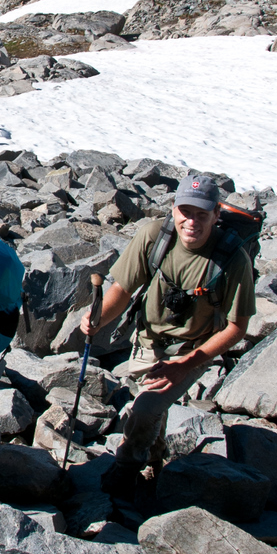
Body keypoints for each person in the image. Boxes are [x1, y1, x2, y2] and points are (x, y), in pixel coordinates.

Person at [81, 173, 256, 499]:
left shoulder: (233, 259)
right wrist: (98, 318)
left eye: (202, 214)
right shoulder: (154, 236)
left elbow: (237, 327)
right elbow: (123, 288)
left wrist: (186, 365)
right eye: (185, 212)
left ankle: (126, 471)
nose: (192, 222)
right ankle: (156, 464)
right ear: (174, 208)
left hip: (193, 349)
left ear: (216, 214)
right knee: (151, 409)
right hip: (148, 341)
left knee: (145, 409)